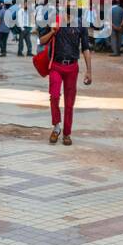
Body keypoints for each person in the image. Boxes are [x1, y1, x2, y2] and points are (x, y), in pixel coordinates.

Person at [39, 11, 92, 145]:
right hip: (56, 66)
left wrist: (89, 71)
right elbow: (41, 41)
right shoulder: (54, 20)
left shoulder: (81, 24)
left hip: (72, 67)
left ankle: (67, 133)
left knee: (69, 102)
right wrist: (52, 32)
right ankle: (56, 128)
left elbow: (86, 48)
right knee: (54, 96)